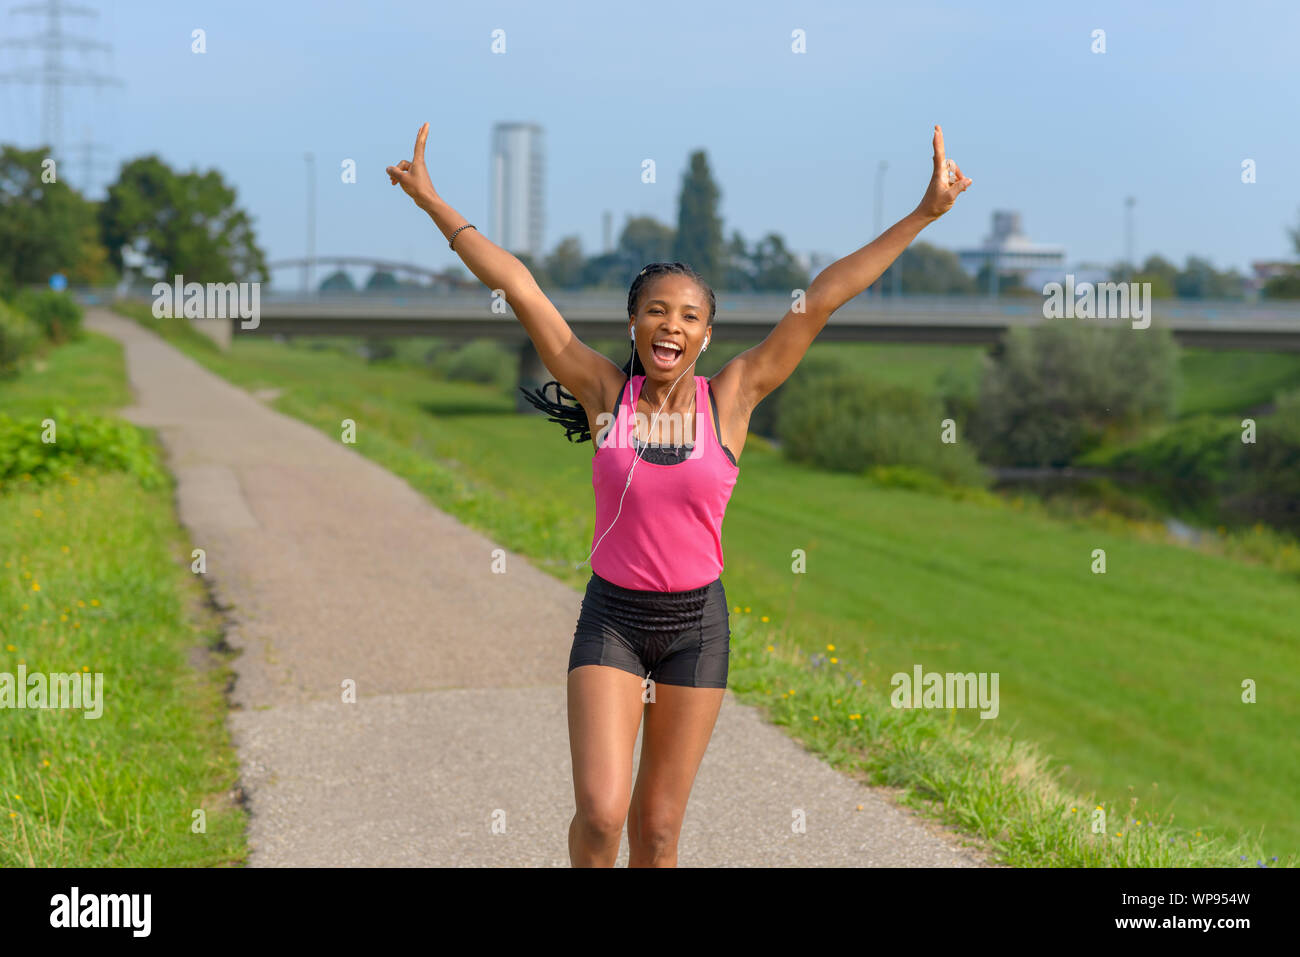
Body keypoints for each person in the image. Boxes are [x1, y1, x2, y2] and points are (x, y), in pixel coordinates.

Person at [387, 122, 972, 867]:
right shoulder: (603, 390)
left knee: (658, 832)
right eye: (658, 310)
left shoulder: (732, 397)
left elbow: (822, 297)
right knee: (601, 816)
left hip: (697, 624)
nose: (673, 324)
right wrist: (434, 202)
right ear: (635, 323)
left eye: (690, 316)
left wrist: (924, 213)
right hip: (614, 619)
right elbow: (517, 284)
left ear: (703, 337)